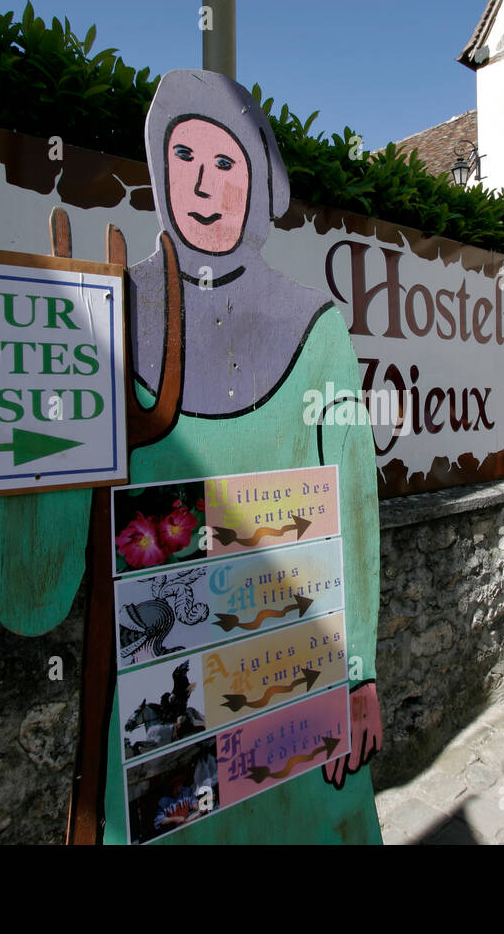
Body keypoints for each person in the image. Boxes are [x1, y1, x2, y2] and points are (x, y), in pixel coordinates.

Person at [103, 69, 383, 845]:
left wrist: (358, 675)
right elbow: (35, 590)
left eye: (225, 162)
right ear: (159, 172)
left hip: (292, 688)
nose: (201, 183)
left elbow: (354, 504)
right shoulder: (110, 311)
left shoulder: (316, 327)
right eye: (182, 155)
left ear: (258, 183)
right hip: (161, 706)